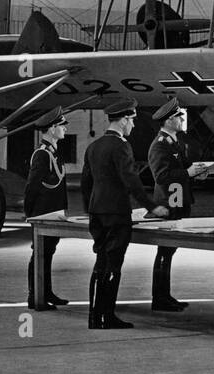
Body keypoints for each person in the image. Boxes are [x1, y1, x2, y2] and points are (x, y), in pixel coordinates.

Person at [81, 97, 169, 329]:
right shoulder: (121, 146)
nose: (133, 126)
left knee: (100, 262)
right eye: (131, 121)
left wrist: (89, 209)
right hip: (116, 213)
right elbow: (131, 180)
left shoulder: (93, 146)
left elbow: (85, 183)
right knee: (113, 264)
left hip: (96, 212)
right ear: (123, 120)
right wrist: (152, 206)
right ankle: (106, 317)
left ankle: (94, 316)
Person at [148, 98, 193, 313]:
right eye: (177, 117)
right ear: (167, 121)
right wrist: (188, 173)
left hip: (178, 204)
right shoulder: (159, 145)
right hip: (168, 206)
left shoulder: (174, 142)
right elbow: (161, 176)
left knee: (168, 252)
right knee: (165, 252)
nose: (181, 119)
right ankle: (160, 298)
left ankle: (164, 296)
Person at [24, 108, 70, 311]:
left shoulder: (53, 153)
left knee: (48, 252)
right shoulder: (42, 154)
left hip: (53, 212)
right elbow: (32, 186)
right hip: (43, 213)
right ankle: (35, 296)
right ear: (51, 129)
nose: (64, 129)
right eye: (61, 126)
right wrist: (31, 214)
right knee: (40, 254)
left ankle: (47, 292)